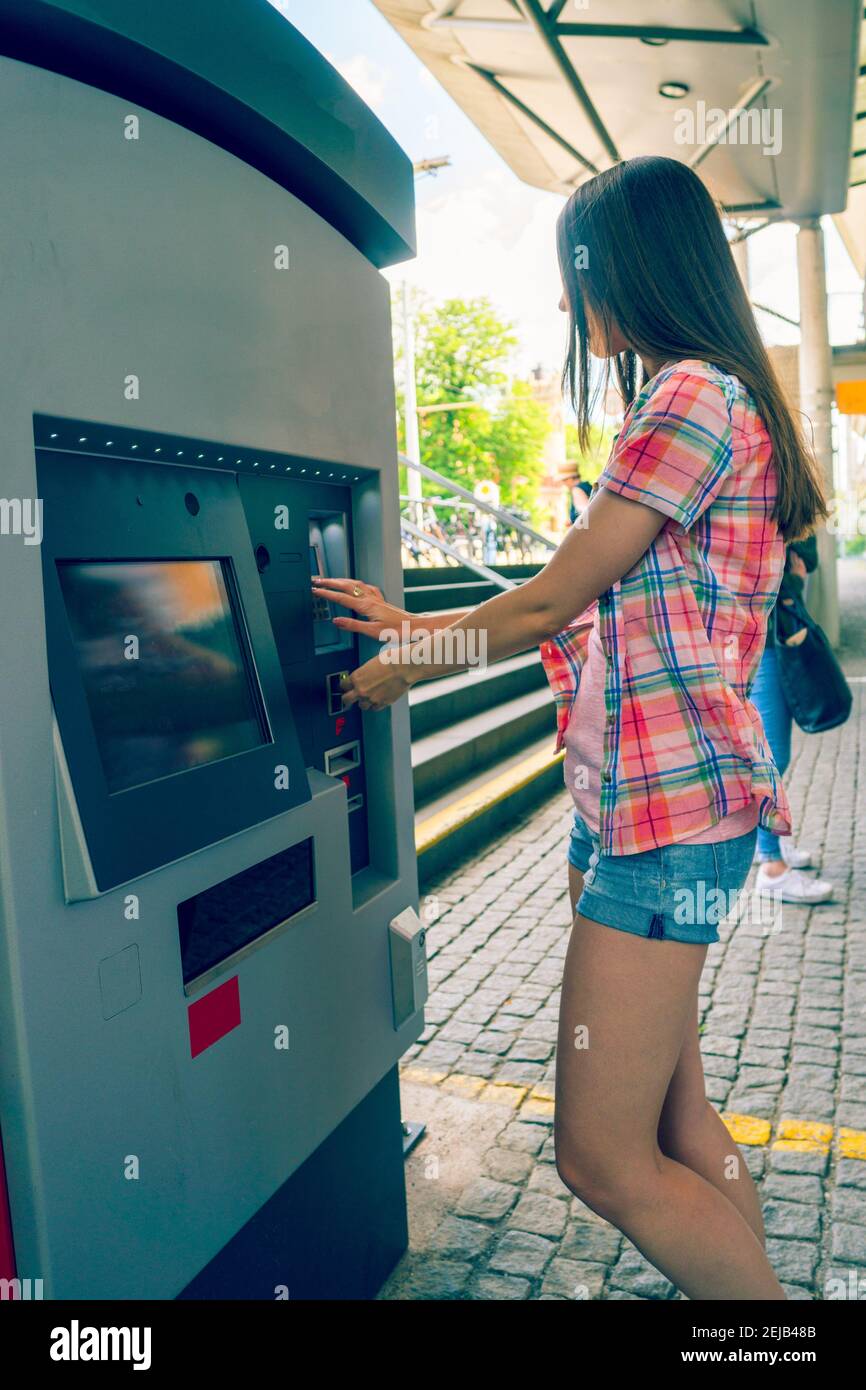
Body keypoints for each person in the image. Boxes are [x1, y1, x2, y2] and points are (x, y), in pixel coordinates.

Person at [313, 155, 826, 1300]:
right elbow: (585, 602)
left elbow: (547, 597)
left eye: (573, 272)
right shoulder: (708, 394)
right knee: (682, 1120)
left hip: (665, 822)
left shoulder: (690, 396)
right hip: (647, 813)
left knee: (600, 1157)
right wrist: (414, 619)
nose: (563, 301)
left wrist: (406, 665)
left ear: (631, 268)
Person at [752, 537, 833, 903]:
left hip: (768, 635)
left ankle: (769, 846)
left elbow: (807, 558)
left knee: (770, 754)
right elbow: (801, 560)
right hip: (762, 639)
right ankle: (771, 866)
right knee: (771, 756)